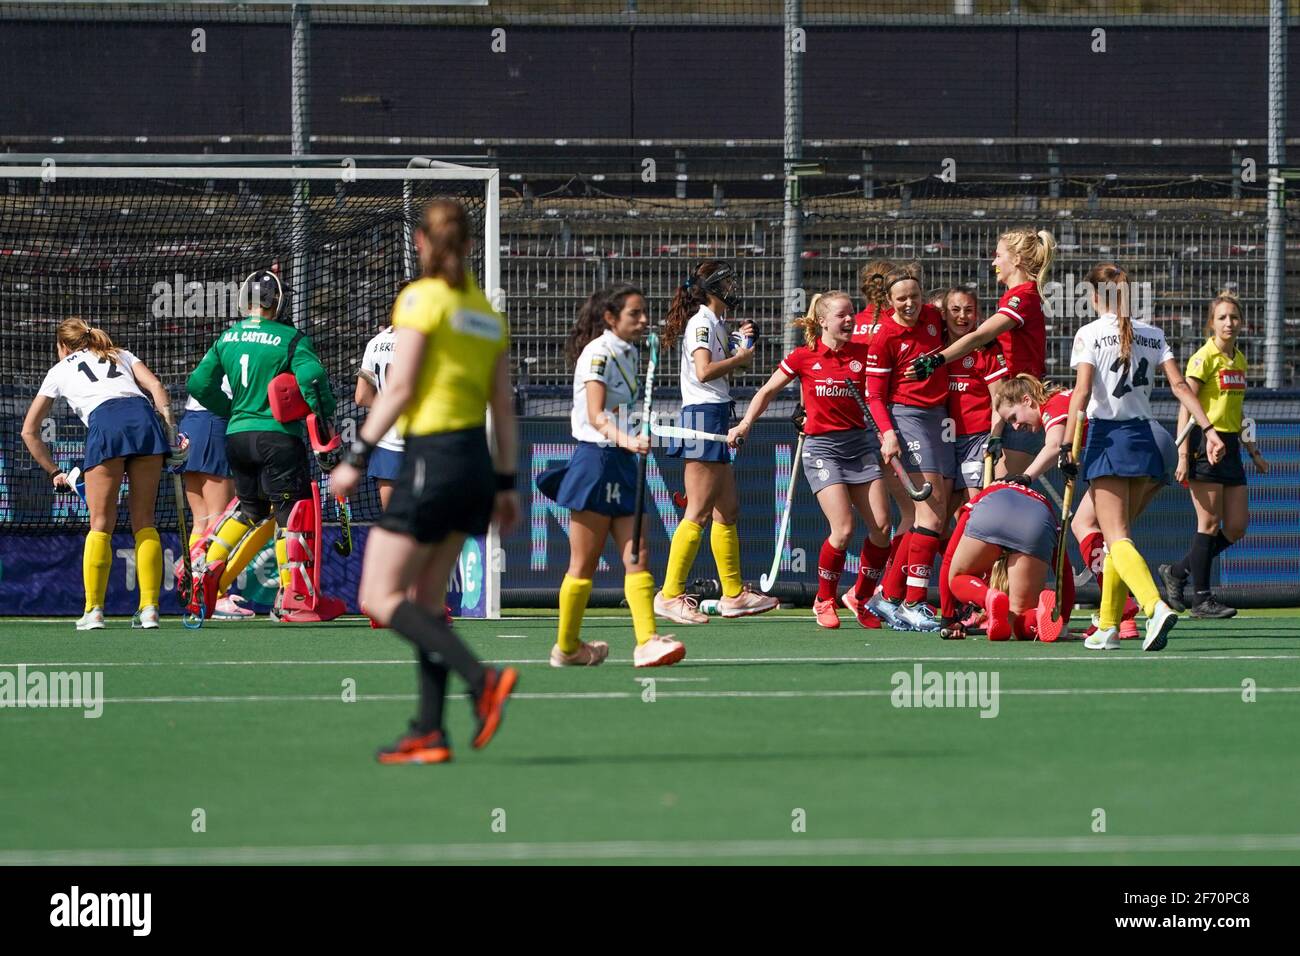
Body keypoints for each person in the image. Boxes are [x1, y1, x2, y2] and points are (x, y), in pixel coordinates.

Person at [330, 199, 519, 765]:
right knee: (427, 602)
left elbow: (402, 387)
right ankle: (429, 732)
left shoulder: (419, 299)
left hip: (430, 460)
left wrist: (356, 456)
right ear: (466, 245)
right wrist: (507, 485)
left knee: (378, 596)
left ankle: (479, 679)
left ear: (421, 243)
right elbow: (503, 410)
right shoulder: (486, 312)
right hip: (475, 466)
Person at [1061, 263, 1223, 652]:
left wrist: (1069, 445)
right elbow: (1181, 387)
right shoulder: (1154, 334)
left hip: (1108, 437)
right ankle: (1108, 625)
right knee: (1122, 538)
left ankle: (1154, 606)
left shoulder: (1089, 333)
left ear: (1095, 297)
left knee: (1115, 537)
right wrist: (1210, 430)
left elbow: (1080, 396)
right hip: (1146, 438)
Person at [536, 284, 686, 667]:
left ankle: (647, 641)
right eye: (634, 314)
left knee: (638, 553)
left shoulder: (632, 352)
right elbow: (597, 414)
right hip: (596, 461)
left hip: (621, 460)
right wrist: (628, 439)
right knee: (582, 565)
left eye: (644, 313)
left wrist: (629, 440)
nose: (643, 320)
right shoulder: (598, 354)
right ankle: (567, 648)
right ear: (610, 318)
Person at [729, 291, 892, 629]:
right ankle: (824, 598)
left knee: (882, 529)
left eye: (851, 315)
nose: (849, 320)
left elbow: (879, 396)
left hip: (860, 446)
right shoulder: (803, 357)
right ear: (823, 321)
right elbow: (767, 392)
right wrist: (745, 423)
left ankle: (860, 597)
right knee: (843, 529)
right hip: (823, 449)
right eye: (841, 316)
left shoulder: (865, 354)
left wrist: (887, 432)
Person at [186, 266, 338, 621]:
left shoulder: (227, 337)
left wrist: (234, 409)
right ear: (279, 302)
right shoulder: (291, 338)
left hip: (237, 436)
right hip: (278, 438)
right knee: (291, 514)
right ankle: (293, 596)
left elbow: (197, 384)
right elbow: (312, 379)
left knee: (250, 509)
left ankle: (202, 573)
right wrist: (324, 418)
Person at [21, 317, 182, 630]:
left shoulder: (60, 369)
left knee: (100, 524)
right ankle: (149, 610)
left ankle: (94, 611)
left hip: (106, 425)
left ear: (62, 346)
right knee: (144, 522)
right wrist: (171, 434)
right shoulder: (120, 353)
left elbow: (29, 431)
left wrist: (55, 470)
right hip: (144, 420)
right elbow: (157, 388)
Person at [654, 260, 778, 623]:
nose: (732, 286)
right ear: (710, 288)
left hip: (716, 411)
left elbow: (721, 369)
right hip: (703, 416)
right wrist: (740, 356)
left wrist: (741, 346)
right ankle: (670, 593)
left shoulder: (716, 323)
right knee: (699, 511)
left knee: (729, 509)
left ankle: (734, 595)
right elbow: (704, 371)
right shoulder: (701, 323)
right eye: (725, 282)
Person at [993, 373, 1144, 640]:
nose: (1015, 427)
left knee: (1092, 528)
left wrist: (1026, 478)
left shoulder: (1054, 406)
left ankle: (1129, 607)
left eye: (1014, 418)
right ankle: (1125, 613)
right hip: (1136, 453)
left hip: (1126, 456)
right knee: (1102, 533)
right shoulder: (1061, 401)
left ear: (1027, 400)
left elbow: (1053, 446)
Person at [908, 227, 1057, 478]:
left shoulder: (1023, 297)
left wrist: (937, 359)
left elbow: (979, 336)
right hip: (1013, 402)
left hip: (1023, 403)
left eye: (998, 256)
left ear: (1017, 259)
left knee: (1001, 494)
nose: (994, 262)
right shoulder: (1016, 296)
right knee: (994, 495)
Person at [1161, 291, 1267, 619]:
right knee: (1207, 523)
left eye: (1234, 317)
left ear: (1242, 323)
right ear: (1212, 323)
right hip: (1203, 444)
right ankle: (1201, 600)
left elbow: (1237, 408)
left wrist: (1251, 450)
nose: (1229, 323)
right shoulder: (1202, 358)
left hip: (1232, 445)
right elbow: (1187, 405)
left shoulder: (1239, 359)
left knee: (1236, 526)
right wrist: (1182, 454)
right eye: (1222, 317)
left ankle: (1178, 572)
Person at [862, 264, 953, 632]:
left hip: (939, 418)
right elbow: (873, 394)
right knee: (929, 516)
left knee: (920, 518)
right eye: (902, 298)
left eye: (914, 296)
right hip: (907, 418)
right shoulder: (884, 336)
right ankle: (914, 604)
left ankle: (888, 596)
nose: (910, 304)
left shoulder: (933, 317)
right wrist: (888, 433)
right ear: (889, 301)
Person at [938, 479, 1074, 641]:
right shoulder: (1043, 503)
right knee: (1018, 621)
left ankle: (988, 597)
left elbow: (948, 559)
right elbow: (1064, 572)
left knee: (958, 578)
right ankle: (1036, 617)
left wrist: (948, 619)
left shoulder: (983, 495)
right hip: (1037, 520)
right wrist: (1063, 621)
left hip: (992, 509)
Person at [176, 380, 266, 620]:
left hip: (190, 424)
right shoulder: (252, 345)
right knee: (218, 521)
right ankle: (215, 596)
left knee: (201, 522)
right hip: (214, 422)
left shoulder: (225, 346)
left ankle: (196, 588)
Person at [941, 286, 1008, 506]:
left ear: (977, 314)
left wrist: (995, 437)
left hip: (976, 440)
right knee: (937, 518)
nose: (962, 316)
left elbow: (999, 397)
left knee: (974, 507)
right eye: (955, 310)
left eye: (969, 310)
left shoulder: (986, 349)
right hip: (942, 440)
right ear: (944, 314)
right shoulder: (935, 348)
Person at [355, 322, 405, 512]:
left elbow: (361, 396)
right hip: (424, 439)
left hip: (387, 441)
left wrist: (388, 406)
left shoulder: (376, 341)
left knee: (393, 523)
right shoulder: (429, 341)